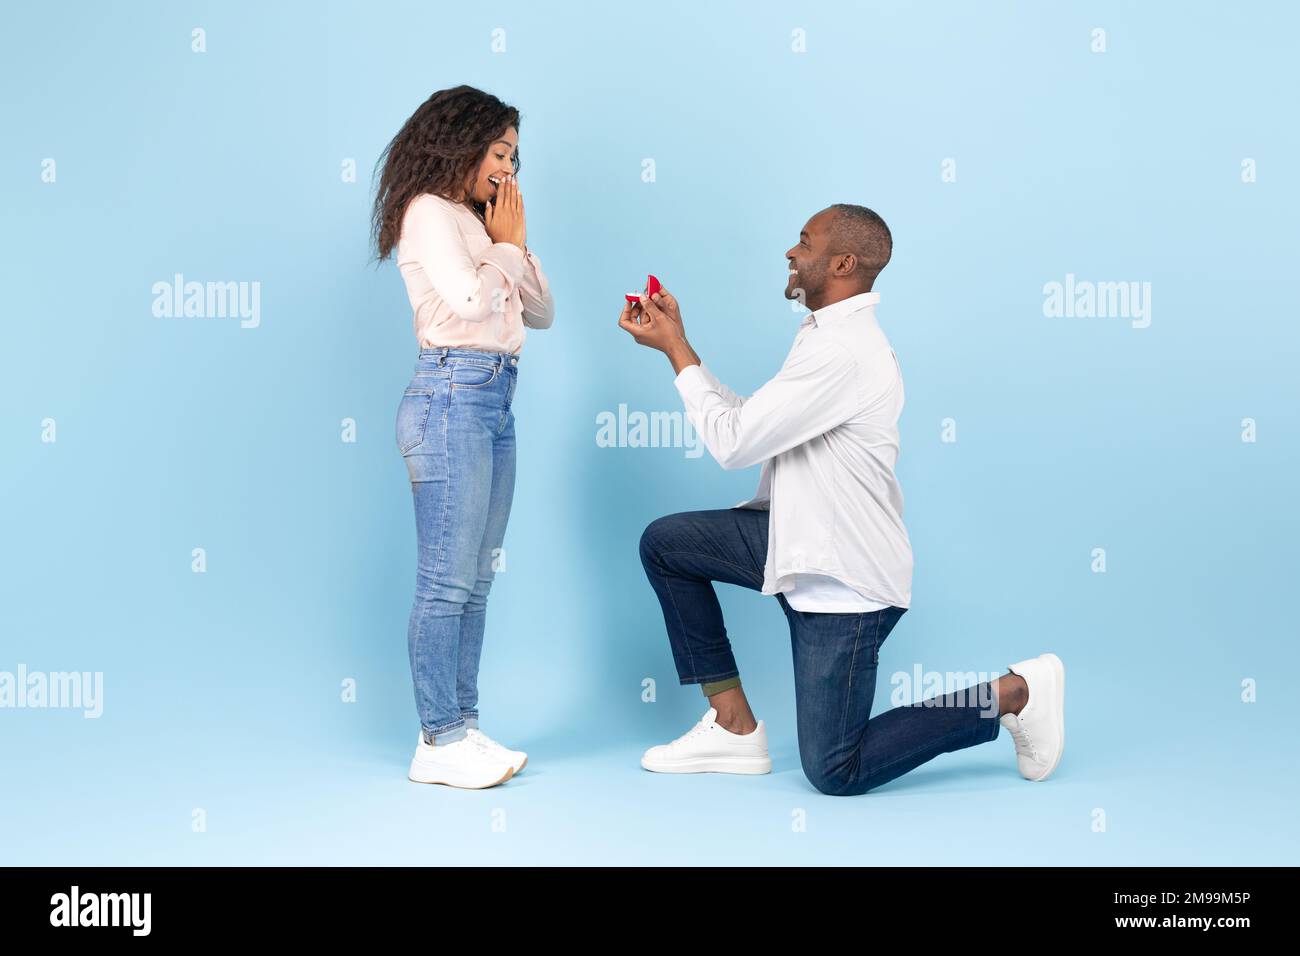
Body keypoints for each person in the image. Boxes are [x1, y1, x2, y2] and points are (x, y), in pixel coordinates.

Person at [618, 203, 1064, 794]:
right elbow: (753, 422)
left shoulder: (843, 350)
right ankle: (733, 725)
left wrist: (675, 351)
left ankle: (1014, 693)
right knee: (668, 544)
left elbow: (733, 443)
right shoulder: (825, 335)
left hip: (842, 573)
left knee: (835, 769)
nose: (791, 251)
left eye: (805, 241)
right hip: (793, 539)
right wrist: (683, 343)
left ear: (844, 262)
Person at [371, 85, 555, 789]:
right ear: (461, 142)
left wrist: (514, 243)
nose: (509, 169)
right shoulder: (427, 215)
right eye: (500, 152)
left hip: (495, 398)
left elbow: (541, 313)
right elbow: (473, 300)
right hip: (449, 393)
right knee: (446, 580)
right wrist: (504, 253)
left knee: (477, 580)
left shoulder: (483, 227)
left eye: (515, 156)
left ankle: (465, 727)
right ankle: (437, 738)